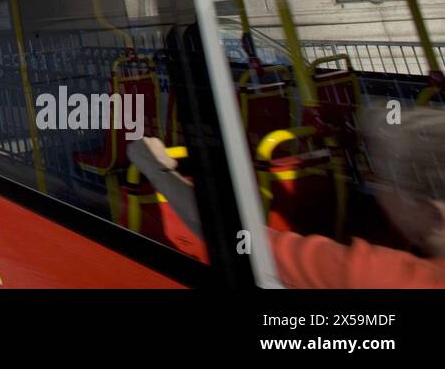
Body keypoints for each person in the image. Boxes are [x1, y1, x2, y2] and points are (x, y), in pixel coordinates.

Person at [126, 107, 445, 288]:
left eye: (384, 182)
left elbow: (231, 236)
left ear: (433, 215)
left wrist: (157, 169)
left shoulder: (377, 276)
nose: (378, 192)